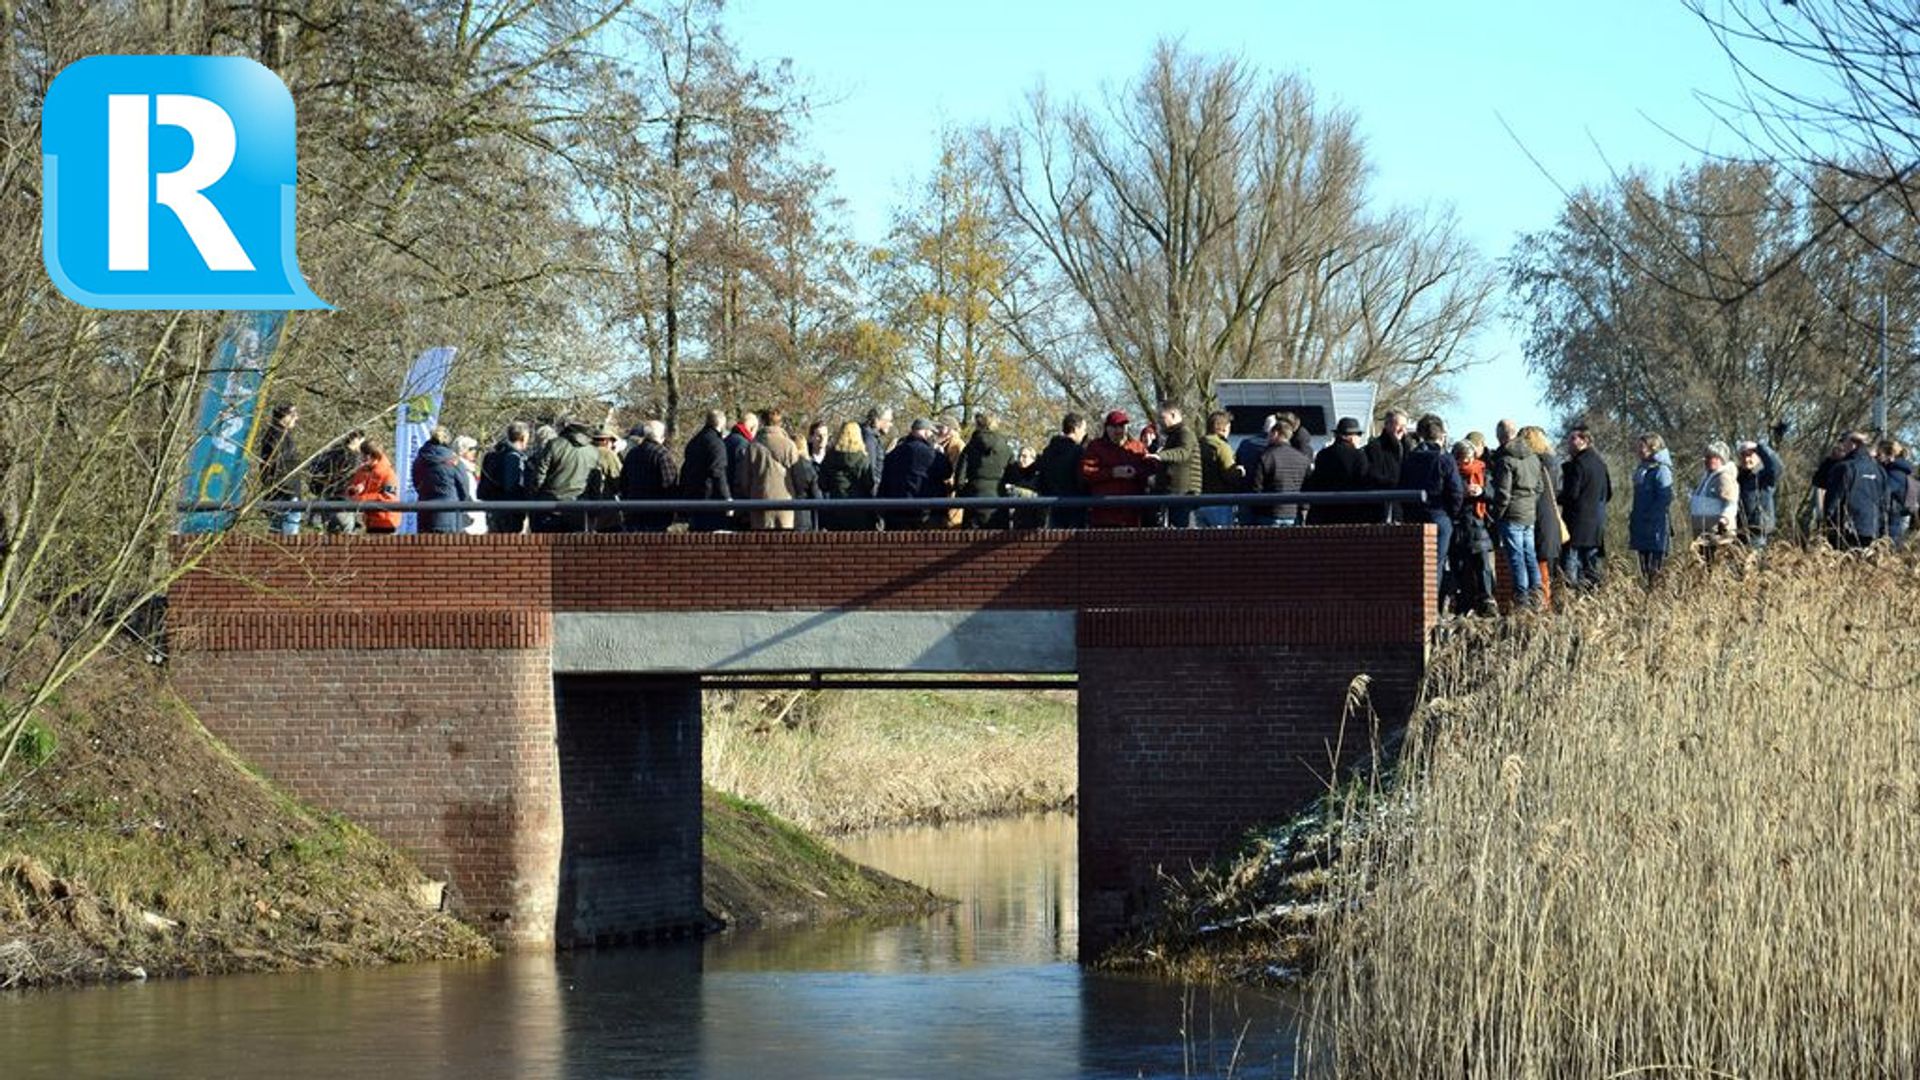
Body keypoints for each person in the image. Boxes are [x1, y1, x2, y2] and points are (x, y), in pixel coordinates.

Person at [1398, 414, 1464, 603]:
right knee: (1435, 565)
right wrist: (1451, 514)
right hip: (1439, 515)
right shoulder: (1445, 459)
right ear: (1441, 434)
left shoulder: (1409, 458)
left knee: (1415, 565)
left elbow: (1401, 485)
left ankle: (1414, 606)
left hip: (1412, 516)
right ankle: (1431, 609)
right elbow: (1456, 491)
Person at [1490, 421, 1546, 610]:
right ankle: (1537, 595)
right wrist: (1530, 502)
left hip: (1511, 514)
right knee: (1530, 554)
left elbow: (1503, 493)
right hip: (1529, 513)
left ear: (1500, 436)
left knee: (1516, 557)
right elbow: (1540, 487)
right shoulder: (1533, 457)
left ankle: (1521, 598)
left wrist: (1497, 514)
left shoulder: (1505, 459)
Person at [1557, 424, 1611, 589]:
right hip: (1596, 524)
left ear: (1585, 440)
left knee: (1571, 565)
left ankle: (1571, 600)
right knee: (1591, 567)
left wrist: (1556, 497)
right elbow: (1608, 493)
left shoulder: (1578, 464)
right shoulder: (1601, 464)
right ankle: (1592, 601)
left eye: (1574, 438)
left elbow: (1571, 494)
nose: (1569, 442)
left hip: (1576, 523)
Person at [1079, 410, 1151, 527]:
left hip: (1132, 515)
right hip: (1103, 516)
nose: (1119, 431)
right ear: (1107, 428)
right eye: (1114, 427)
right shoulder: (1095, 447)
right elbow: (1086, 473)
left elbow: (1149, 470)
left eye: (1122, 426)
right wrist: (1112, 473)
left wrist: (1136, 472)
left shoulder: (1138, 447)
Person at [878, 418, 952, 530]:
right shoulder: (930, 454)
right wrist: (940, 454)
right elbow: (947, 472)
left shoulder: (893, 454)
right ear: (926, 432)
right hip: (925, 513)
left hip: (895, 513)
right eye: (931, 432)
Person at [1451, 440, 1497, 615]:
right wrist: (1461, 492)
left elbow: (1494, 494)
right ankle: (1464, 601)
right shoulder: (1451, 472)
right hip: (1459, 523)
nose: (1464, 463)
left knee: (1482, 563)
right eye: (1461, 460)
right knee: (1460, 565)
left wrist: (1482, 492)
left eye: (1467, 459)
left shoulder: (1482, 470)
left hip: (1477, 522)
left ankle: (1487, 599)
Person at [1303, 416, 1376, 524]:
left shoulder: (1323, 455)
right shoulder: (1358, 456)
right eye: (1359, 434)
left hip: (1323, 512)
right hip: (1350, 512)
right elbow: (1364, 482)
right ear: (1351, 437)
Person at [529, 421, 599, 533]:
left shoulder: (554, 444)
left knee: (545, 545)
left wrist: (537, 495)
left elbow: (539, 475)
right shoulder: (593, 452)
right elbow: (595, 484)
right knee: (574, 547)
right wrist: (594, 510)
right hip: (578, 507)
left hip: (550, 504)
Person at [1823, 430, 1887, 549]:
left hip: (1846, 530)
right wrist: (1881, 528)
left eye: (1844, 442)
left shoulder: (1844, 468)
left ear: (1853, 444)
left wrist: (1827, 525)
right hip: (1872, 529)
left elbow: (1833, 500)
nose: (1842, 446)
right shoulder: (1879, 470)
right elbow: (1884, 502)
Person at [1522, 426, 1563, 606]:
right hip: (1551, 518)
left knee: (1540, 565)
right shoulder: (1553, 463)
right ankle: (1546, 603)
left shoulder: (1534, 463)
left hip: (1538, 517)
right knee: (1546, 565)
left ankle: (1541, 604)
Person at [954, 411, 1014, 528]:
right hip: (998, 500)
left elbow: (959, 477)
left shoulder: (970, 448)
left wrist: (962, 494)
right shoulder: (1006, 448)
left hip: (974, 499)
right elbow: (1013, 476)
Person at [1252, 413, 1313, 525]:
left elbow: (1257, 487)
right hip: (1293, 514)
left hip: (1269, 513)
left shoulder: (1266, 457)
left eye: (1269, 434)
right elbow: (1307, 487)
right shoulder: (1302, 459)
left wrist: (1258, 509)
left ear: (1275, 433)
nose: (1268, 437)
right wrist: (1304, 508)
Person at [1629, 434, 1674, 581]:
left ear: (1652, 447)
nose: (1638, 450)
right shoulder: (1641, 470)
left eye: (1642, 446)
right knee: (1644, 571)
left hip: (1656, 529)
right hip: (1641, 528)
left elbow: (1665, 498)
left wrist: (1650, 516)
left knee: (1656, 572)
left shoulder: (1662, 470)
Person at [1150, 402, 1202, 527]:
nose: (1160, 422)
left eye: (1162, 418)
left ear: (1173, 415)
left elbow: (1183, 452)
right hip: (1176, 493)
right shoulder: (1173, 435)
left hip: (1183, 494)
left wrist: (1161, 456)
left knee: (1183, 535)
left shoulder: (1185, 433)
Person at [748, 409, 801, 531]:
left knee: (762, 544)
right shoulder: (789, 445)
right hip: (785, 503)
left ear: (763, 422)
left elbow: (745, 479)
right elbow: (798, 476)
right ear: (781, 423)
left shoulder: (753, 446)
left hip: (759, 503)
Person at [620, 420, 677, 533]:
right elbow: (670, 486)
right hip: (657, 515)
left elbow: (623, 483)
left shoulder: (632, 454)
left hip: (634, 513)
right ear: (661, 437)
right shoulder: (662, 454)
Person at [254, 403, 302, 535]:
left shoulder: (280, 435)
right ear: (284, 416)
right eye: (293, 415)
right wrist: (288, 489)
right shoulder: (277, 436)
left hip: (283, 492)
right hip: (284, 494)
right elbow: (275, 465)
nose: (296, 418)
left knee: (277, 532)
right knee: (288, 535)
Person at [680, 410, 732, 533]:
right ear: (721, 423)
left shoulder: (694, 441)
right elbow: (718, 472)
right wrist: (727, 498)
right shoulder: (716, 443)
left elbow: (685, 470)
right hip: (710, 500)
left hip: (693, 498)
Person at [1688, 440, 1741, 557]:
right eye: (1705, 457)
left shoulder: (1724, 477)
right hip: (1703, 533)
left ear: (1720, 459)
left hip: (1716, 533)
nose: (1706, 460)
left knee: (1715, 563)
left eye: (1710, 457)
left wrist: (1724, 520)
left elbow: (1731, 502)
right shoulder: (1707, 477)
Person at [1035, 412, 1089, 528]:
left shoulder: (1048, 451)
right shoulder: (1078, 452)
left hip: (1053, 505)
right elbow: (1082, 479)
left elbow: (1041, 479)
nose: (1084, 433)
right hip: (1076, 506)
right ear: (1075, 429)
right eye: (1083, 429)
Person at [307, 428, 364, 534]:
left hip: (323, 501)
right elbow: (349, 483)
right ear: (356, 440)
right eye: (361, 442)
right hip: (341, 504)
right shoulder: (353, 459)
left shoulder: (330, 452)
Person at [819, 420, 873, 531]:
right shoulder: (862, 459)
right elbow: (869, 484)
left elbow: (822, 484)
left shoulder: (830, 457)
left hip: (835, 509)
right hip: (859, 510)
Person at [478, 422, 531, 535]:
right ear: (523, 437)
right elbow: (511, 486)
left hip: (492, 508)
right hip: (510, 511)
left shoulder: (493, 454)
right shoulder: (514, 457)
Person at [412, 427, 466, 534]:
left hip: (425, 512)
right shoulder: (453, 460)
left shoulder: (420, 459)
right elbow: (463, 487)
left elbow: (416, 483)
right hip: (449, 513)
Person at [1195, 410, 1241, 528]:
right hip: (1220, 501)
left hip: (1200, 501)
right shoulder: (1221, 447)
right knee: (1222, 541)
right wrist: (1239, 471)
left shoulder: (1198, 445)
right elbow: (1229, 474)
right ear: (1225, 428)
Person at [1736, 438, 1784, 549]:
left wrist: (1761, 447)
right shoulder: (1738, 478)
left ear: (1758, 457)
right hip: (1739, 533)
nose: (1746, 459)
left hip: (1757, 532)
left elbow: (1778, 467)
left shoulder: (1765, 477)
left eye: (1750, 455)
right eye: (1743, 456)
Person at [346, 438, 400, 535]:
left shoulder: (388, 473)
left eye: (365, 456)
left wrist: (361, 498)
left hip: (385, 522)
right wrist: (354, 490)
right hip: (369, 521)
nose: (362, 458)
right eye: (361, 455)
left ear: (374, 455)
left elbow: (388, 498)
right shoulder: (362, 471)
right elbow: (349, 491)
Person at [1365, 409, 1411, 521]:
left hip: (1403, 504)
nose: (1402, 430)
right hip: (1382, 505)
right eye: (1399, 425)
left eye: (1405, 426)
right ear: (1387, 425)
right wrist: (1394, 482)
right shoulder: (1375, 448)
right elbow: (1371, 474)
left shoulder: (1407, 447)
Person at [787, 422, 827, 532]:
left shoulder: (785, 465)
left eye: (825, 435)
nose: (822, 439)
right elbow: (817, 497)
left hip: (788, 516)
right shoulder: (806, 466)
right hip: (805, 517)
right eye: (819, 435)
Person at [584, 427, 623, 532]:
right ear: (606, 440)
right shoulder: (608, 454)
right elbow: (618, 481)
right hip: (605, 506)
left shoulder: (583, 451)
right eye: (612, 441)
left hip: (583, 504)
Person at [1876, 439, 1913, 548]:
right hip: (1891, 519)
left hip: (1892, 521)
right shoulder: (1893, 471)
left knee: (1891, 548)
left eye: (1879, 454)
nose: (1877, 457)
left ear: (1889, 455)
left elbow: (1883, 491)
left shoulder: (1895, 473)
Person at [452, 435, 487, 534]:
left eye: (475, 449)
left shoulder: (468, 469)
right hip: (469, 522)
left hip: (473, 519)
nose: (475, 452)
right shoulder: (461, 470)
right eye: (471, 449)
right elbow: (468, 495)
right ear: (462, 451)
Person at [859, 407, 894, 497]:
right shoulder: (869, 439)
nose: (891, 424)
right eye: (889, 420)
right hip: (871, 494)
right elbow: (870, 470)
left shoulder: (872, 437)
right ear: (878, 420)